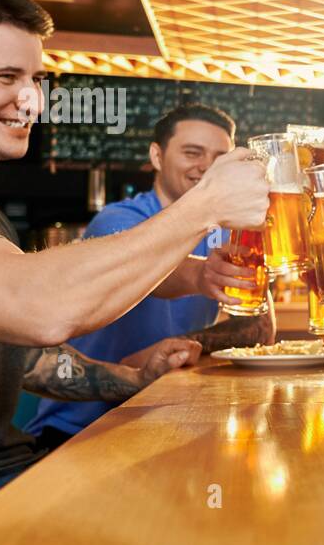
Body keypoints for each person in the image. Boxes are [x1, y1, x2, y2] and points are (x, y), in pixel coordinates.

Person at [0, 0, 269, 545]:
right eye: (6, 78)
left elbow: (26, 357)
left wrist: (131, 379)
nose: (31, 101)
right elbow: (40, 308)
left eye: (36, 81)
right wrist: (204, 206)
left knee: (227, 507)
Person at [25, 103, 276, 442]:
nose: (206, 167)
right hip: (81, 429)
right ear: (157, 157)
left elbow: (259, 325)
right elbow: (142, 268)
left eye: (219, 157)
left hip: (165, 420)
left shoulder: (225, 231)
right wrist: (202, 276)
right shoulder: (119, 220)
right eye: (192, 153)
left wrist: (180, 350)